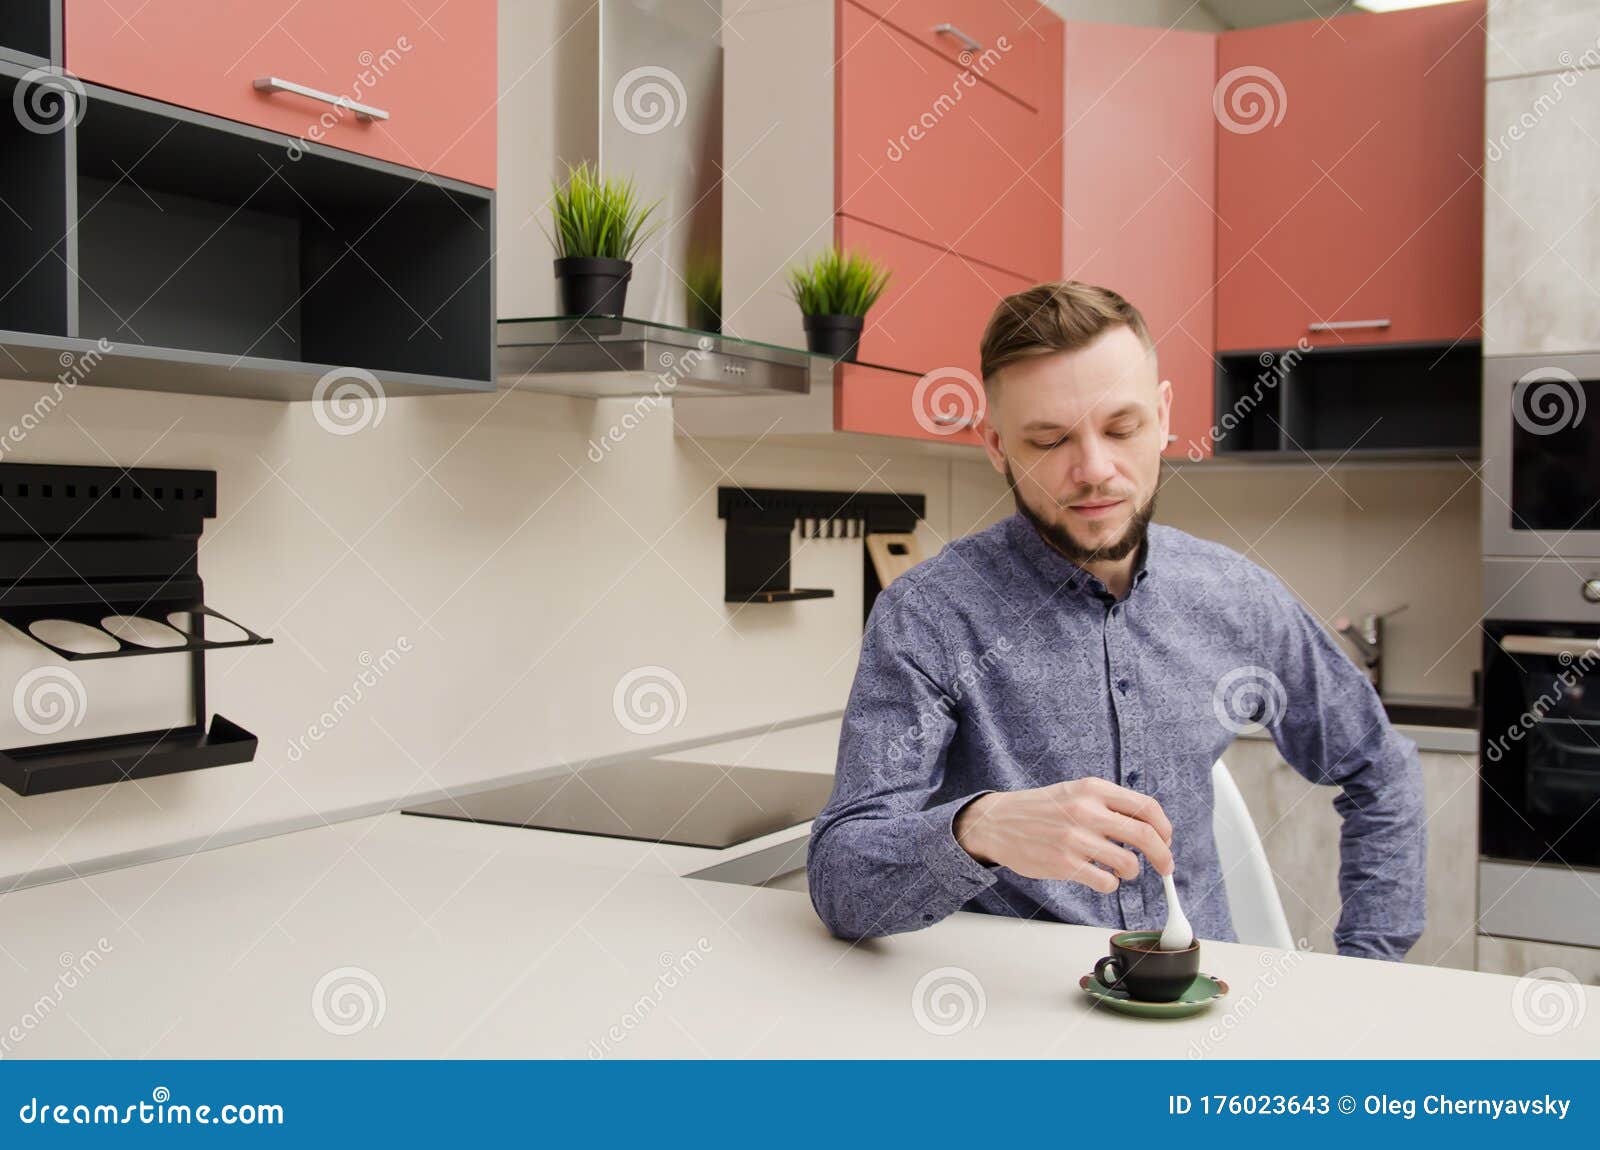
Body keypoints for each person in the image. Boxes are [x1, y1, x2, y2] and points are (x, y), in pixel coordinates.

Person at [806, 281, 1426, 961]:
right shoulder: (929, 614)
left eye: (1122, 428)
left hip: (1205, 1008)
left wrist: (1372, 963)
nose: (1094, 470)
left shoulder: (1236, 597)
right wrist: (974, 828)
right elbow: (842, 880)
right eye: (1049, 441)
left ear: (1162, 418)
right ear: (995, 446)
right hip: (1010, 1017)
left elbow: (1380, 768)